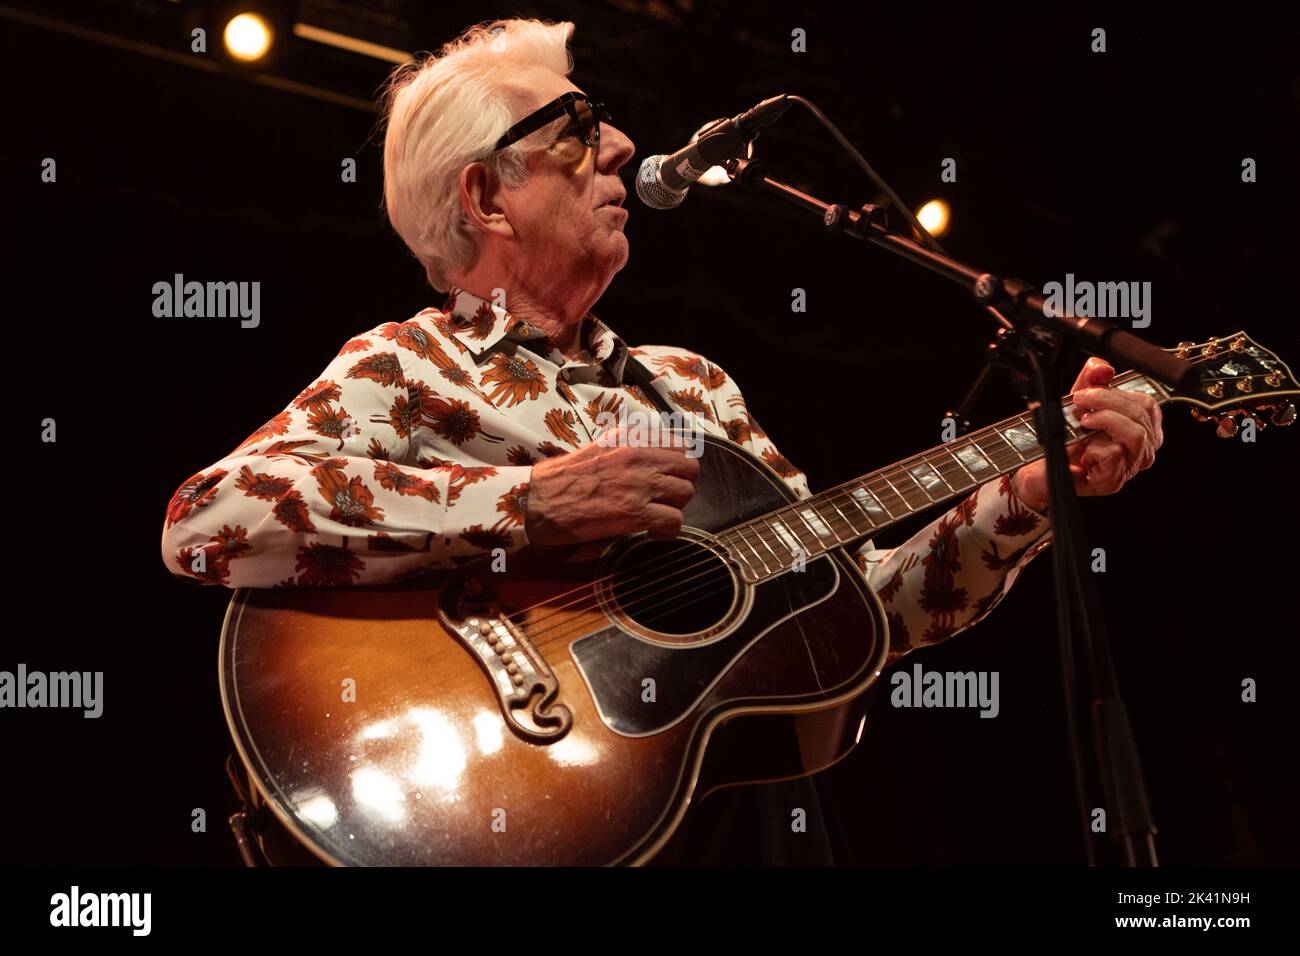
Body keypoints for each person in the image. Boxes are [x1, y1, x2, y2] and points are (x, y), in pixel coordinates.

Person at [160, 17, 1163, 864]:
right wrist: (525, 506)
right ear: (482, 196)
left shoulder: (683, 388)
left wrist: (1026, 494)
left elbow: (865, 611)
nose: (625, 145)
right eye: (577, 124)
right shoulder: (407, 363)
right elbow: (206, 518)